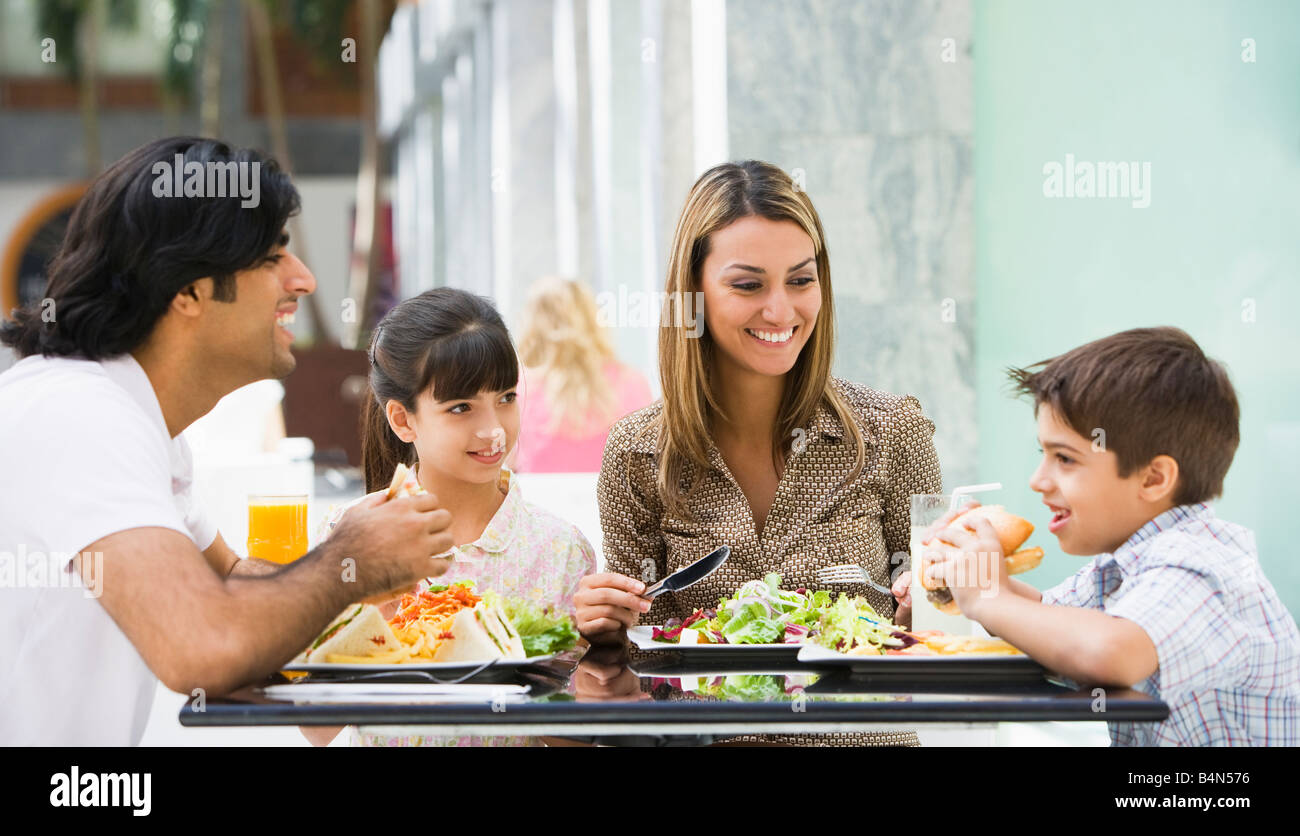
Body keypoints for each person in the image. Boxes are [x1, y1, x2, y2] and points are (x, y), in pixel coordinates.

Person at [0, 137, 454, 746]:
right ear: (187, 289)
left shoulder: (133, 419)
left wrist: (367, 585)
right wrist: (353, 561)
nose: (305, 279)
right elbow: (201, 644)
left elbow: (232, 582)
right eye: (271, 257)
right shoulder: (78, 414)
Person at [572, 160, 942, 747]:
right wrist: (601, 626)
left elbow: (938, 622)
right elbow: (633, 658)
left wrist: (932, 601)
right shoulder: (638, 452)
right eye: (748, 285)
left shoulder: (893, 431)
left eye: (801, 280)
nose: (780, 311)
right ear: (693, 293)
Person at [924, 327, 1299, 746]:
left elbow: (1110, 655)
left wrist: (989, 598)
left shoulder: (1201, 563)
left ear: (1154, 479)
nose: (1037, 481)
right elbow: (1048, 617)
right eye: (1042, 455)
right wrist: (971, 574)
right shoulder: (1124, 563)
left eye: (1065, 458)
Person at [301, 287, 596, 747]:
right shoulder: (349, 535)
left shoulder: (560, 550)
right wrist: (370, 615)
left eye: (506, 397)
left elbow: (567, 739)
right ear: (403, 420)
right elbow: (316, 727)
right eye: (461, 407)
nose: (493, 429)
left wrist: (604, 658)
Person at [513, 276, 652, 472]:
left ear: (531, 324)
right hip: (611, 502)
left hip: (536, 500)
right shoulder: (631, 382)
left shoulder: (516, 389)